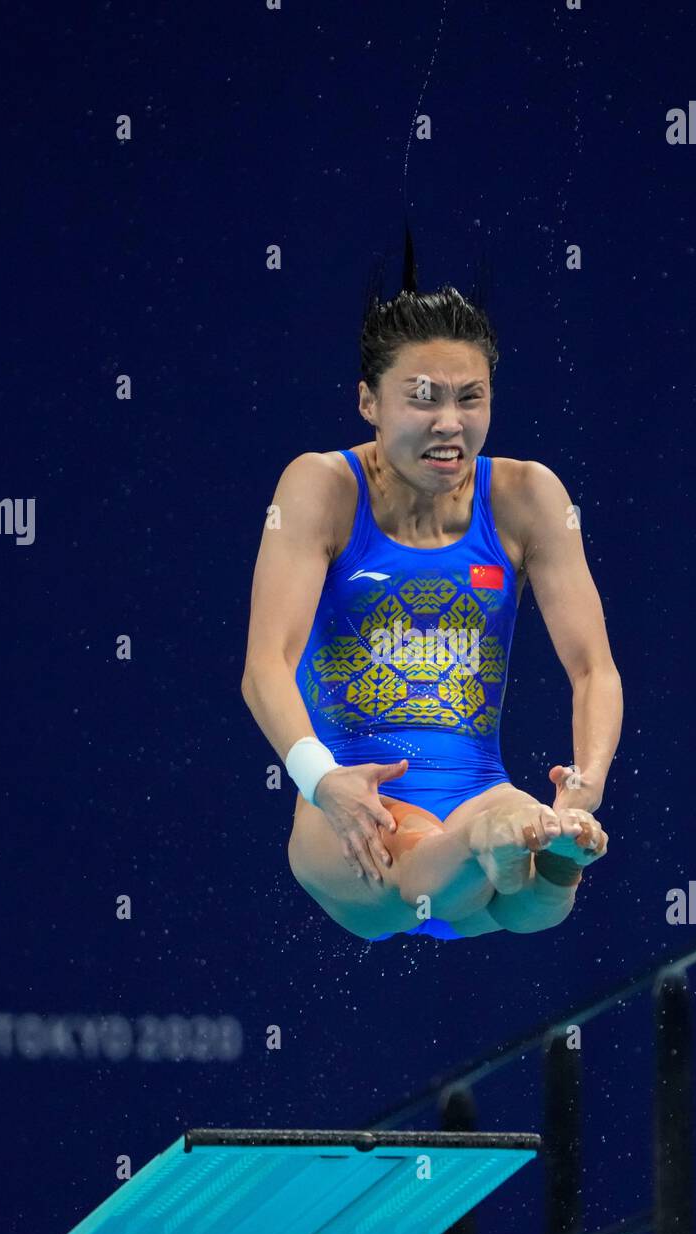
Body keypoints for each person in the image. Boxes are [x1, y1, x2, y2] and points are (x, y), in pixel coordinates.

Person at [241, 280, 623, 941]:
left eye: (469, 397)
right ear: (369, 402)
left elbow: (595, 670)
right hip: (355, 785)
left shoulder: (527, 496)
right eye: (422, 398)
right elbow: (264, 666)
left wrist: (584, 784)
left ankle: (528, 845)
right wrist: (322, 780)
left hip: (480, 783)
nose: (450, 422)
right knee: (416, 878)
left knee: (529, 909)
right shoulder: (321, 488)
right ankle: (500, 840)